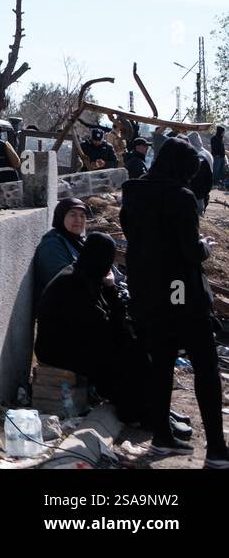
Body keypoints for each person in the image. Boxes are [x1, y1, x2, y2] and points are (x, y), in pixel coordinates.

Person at [120, 137, 228, 465]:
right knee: (205, 365)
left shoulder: (132, 191)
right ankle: (217, 450)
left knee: (162, 363)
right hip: (179, 290)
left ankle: (162, 439)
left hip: (146, 292)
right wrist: (205, 246)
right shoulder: (180, 197)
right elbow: (189, 251)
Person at [35, 233, 151, 426]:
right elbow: (104, 326)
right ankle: (134, 412)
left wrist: (110, 290)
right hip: (56, 350)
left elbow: (108, 323)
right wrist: (111, 290)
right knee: (121, 356)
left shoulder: (86, 275)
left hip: (77, 340)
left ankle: (150, 408)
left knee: (134, 347)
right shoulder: (73, 282)